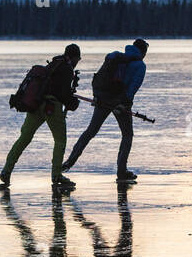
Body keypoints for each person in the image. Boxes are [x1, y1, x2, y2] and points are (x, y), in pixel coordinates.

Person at [0, 43, 82, 192]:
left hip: (36, 104)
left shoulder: (53, 64)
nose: (77, 62)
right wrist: (72, 102)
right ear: (73, 57)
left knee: (24, 138)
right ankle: (56, 175)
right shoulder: (67, 69)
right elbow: (62, 94)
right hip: (51, 107)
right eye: (78, 59)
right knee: (60, 140)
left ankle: (6, 170)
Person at [63, 38, 148, 184]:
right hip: (120, 102)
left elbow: (101, 76)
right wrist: (124, 104)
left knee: (91, 131)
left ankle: (69, 163)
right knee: (127, 135)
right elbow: (133, 87)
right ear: (143, 52)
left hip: (102, 98)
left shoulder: (115, 56)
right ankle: (122, 172)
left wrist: (97, 96)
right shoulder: (140, 65)